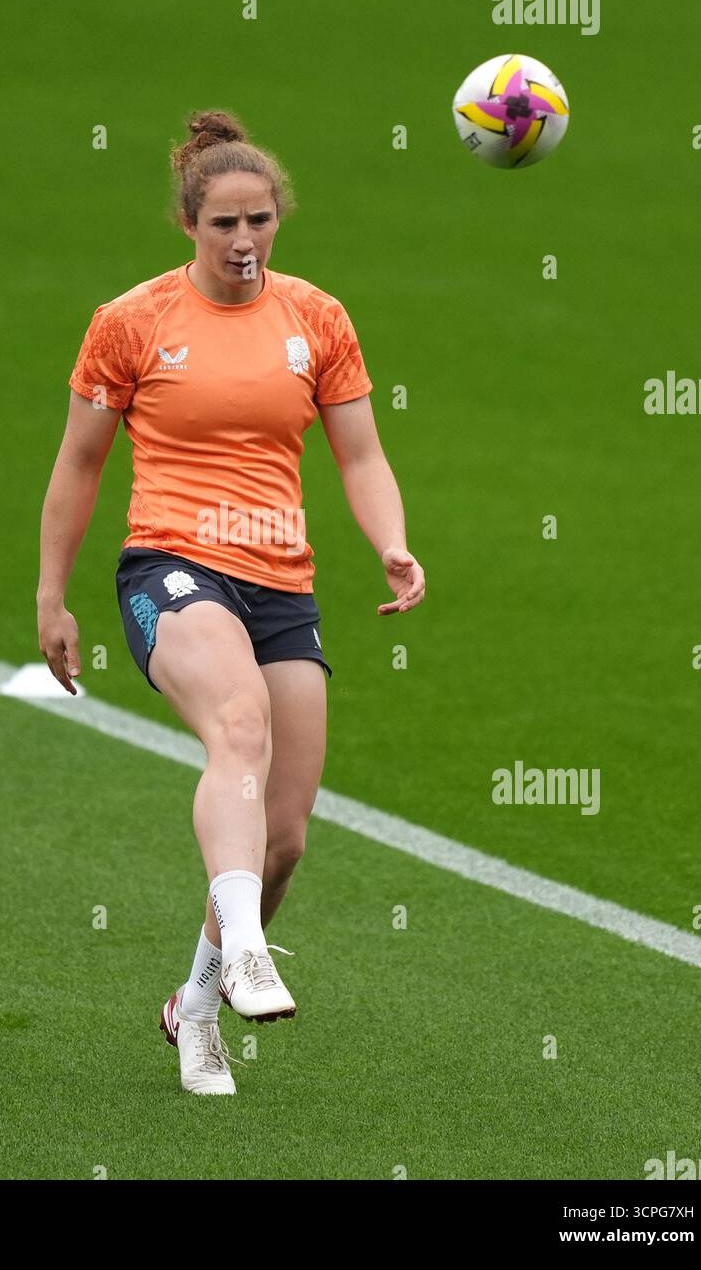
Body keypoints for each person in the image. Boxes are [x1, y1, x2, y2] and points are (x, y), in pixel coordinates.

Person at [37, 110, 425, 1095]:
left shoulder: (317, 319)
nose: (245, 241)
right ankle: (248, 949)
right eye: (224, 225)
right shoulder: (130, 322)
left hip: (281, 584)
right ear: (187, 225)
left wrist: (390, 543)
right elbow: (79, 465)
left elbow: (361, 452)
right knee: (237, 728)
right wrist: (53, 596)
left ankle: (196, 1003)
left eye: (259, 221)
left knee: (284, 832)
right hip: (169, 567)